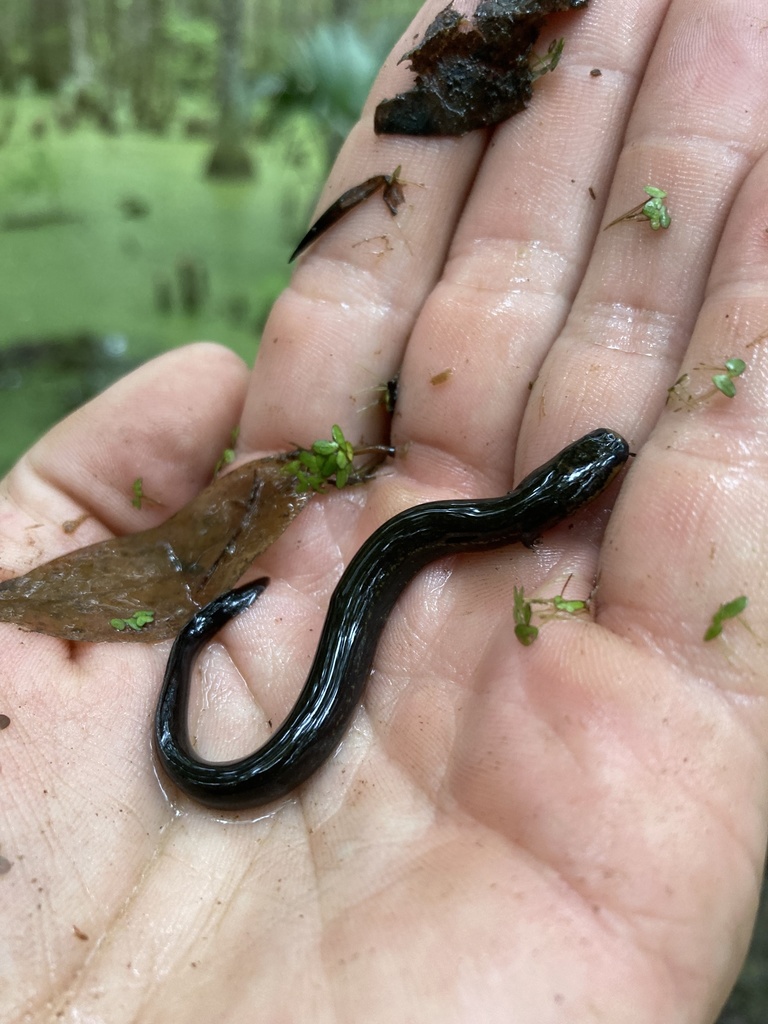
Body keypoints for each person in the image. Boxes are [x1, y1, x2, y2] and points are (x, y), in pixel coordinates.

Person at [2, 1, 767, 1020]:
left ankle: (196, 646)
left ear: (554, 497)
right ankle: (191, 648)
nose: (600, 467)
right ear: (559, 504)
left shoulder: (489, 523)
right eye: (593, 471)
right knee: (368, 595)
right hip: (266, 734)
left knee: (386, 570)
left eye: (593, 471)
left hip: (428, 555)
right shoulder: (494, 524)